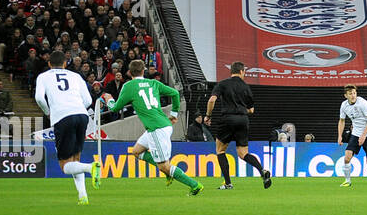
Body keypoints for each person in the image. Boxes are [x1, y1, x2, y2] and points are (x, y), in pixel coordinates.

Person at [104, 61, 201, 196]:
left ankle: (195, 185)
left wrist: (108, 99)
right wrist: (173, 114)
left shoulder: (129, 86)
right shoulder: (153, 83)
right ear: (143, 71)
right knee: (137, 151)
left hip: (157, 129)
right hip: (160, 126)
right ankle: (167, 172)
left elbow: (115, 108)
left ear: (129, 73)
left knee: (164, 166)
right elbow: (175, 93)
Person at [33, 49, 97, 205]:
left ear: (49, 64)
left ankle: (91, 167)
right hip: (82, 115)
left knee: (65, 165)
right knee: (75, 159)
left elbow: (39, 98)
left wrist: (49, 112)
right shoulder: (75, 76)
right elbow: (88, 100)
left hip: (62, 117)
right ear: (65, 63)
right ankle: (83, 196)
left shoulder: (43, 76)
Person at [205, 61, 271, 190]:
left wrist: (208, 115)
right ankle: (262, 170)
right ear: (242, 71)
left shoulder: (223, 84)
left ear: (232, 71)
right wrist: (240, 110)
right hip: (242, 120)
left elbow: (212, 99)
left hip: (227, 119)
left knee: (220, 150)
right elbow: (251, 110)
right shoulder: (246, 87)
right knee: (243, 153)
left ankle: (228, 183)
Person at [337, 84, 367, 186]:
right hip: (355, 134)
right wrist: (339, 135)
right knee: (347, 158)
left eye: (354, 93)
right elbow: (342, 121)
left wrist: (363, 135)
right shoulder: (344, 105)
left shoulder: (363, 103)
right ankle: (347, 181)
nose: (353, 95)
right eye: (350, 93)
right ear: (345, 95)